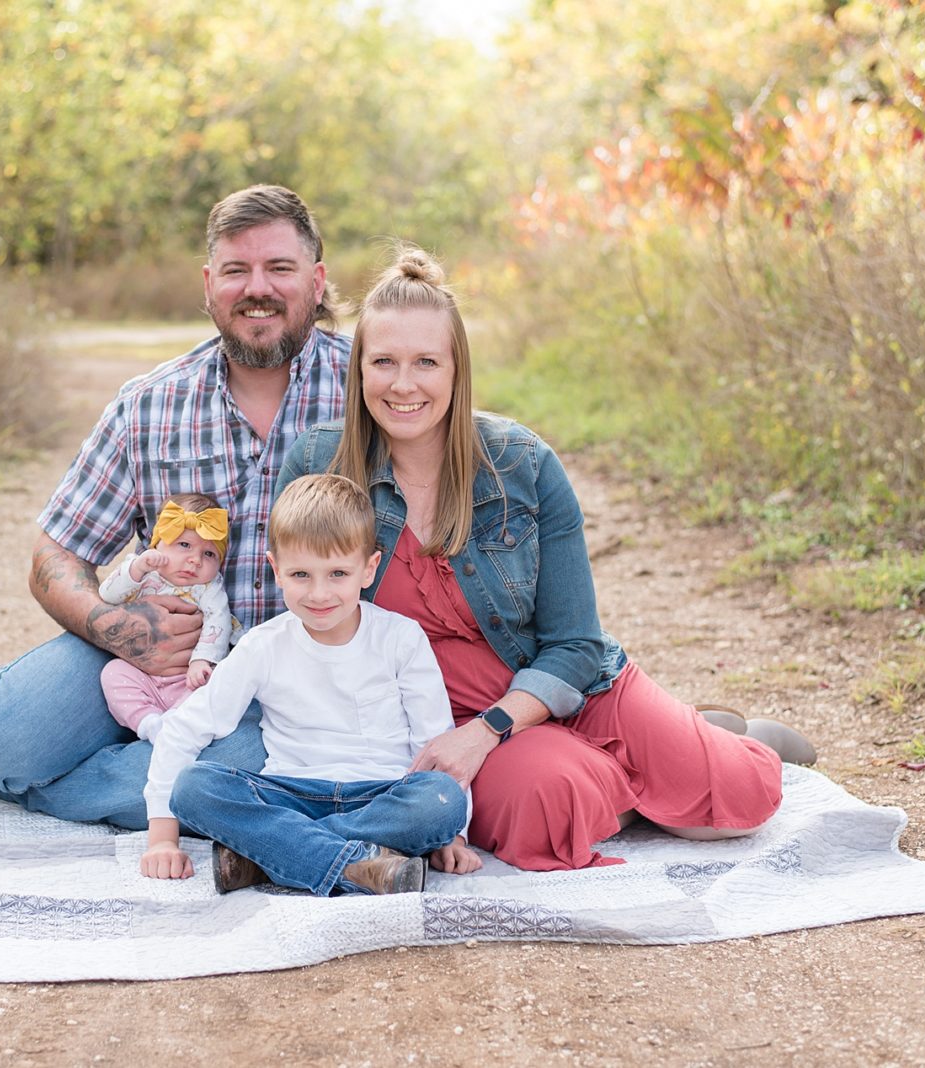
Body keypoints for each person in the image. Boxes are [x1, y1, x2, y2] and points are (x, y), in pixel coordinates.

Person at [0, 185, 351, 828]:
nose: (256, 288)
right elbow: (56, 553)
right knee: (4, 730)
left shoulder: (368, 396)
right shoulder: (151, 405)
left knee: (200, 786)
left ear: (316, 282)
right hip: (138, 658)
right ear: (209, 285)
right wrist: (115, 627)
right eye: (237, 270)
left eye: (279, 269)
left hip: (285, 684)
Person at [274, 246, 816, 872]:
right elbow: (304, 625)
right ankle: (646, 770)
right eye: (384, 362)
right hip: (443, 718)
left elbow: (575, 644)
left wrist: (490, 730)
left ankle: (728, 746)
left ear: (457, 370)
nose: (403, 384)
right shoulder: (320, 466)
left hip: (559, 688)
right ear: (356, 370)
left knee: (731, 809)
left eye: (426, 362)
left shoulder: (522, 465)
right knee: (548, 804)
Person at [139, 474, 474, 896]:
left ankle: (267, 855)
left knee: (441, 799)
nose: (319, 594)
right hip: (289, 793)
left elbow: (437, 740)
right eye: (301, 574)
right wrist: (162, 839)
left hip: (382, 795)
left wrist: (455, 837)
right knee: (196, 787)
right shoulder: (263, 645)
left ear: (368, 568)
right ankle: (356, 865)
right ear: (276, 569)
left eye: (337, 573)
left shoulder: (400, 637)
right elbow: (187, 726)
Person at [99, 492, 235, 742]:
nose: (195, 560)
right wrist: (137, 568)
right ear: (158, 543)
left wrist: (201, 661)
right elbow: (107, 595)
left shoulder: (209, 588)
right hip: (139, 671)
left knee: (213, 686)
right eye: (184, 545)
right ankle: (147, 722)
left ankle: (177, 723)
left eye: (209, 554)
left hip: (186, 679)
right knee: (113, 672)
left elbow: (219, 622)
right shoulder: (143, 572)